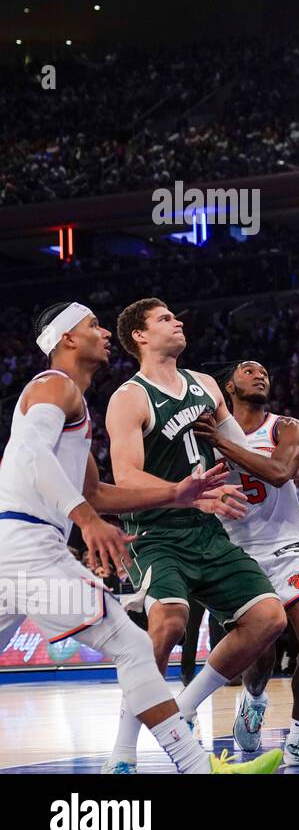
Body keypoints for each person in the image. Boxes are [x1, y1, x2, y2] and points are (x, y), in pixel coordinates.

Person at [0, 303, 277, 775]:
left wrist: (178, 493)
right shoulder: (54, 385)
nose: (104, 332)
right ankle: (189, 766)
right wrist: (85, 520)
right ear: (67, 338)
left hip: (17, 546)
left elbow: (99, 492)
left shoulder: (77, 409)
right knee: (132, 645)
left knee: (133, 645)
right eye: (93, 326)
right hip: (31, 545)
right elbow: (32, 457)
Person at [103, 298, 299, 773]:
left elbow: (243, 450)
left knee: (268, 618)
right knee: (170, 624)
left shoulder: (206, 385)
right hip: (155, 531)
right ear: (139, 335)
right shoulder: (129, 397)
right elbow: (126, 476)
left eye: (176, 316)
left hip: (207, 528)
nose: (177, 322)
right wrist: (183, 493)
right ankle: (123, 750)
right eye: (164, 319)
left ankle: (185, 706)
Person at [193, 360, 299, 768]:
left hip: (288, 544)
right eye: (248, 370)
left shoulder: (286, 426)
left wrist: (221, 443)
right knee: (262, 652)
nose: (260, 374)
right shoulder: (203, 431)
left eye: (264, 371)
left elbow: (278, 471)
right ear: (228, 387)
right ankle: (253, 700)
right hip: (238, 551)